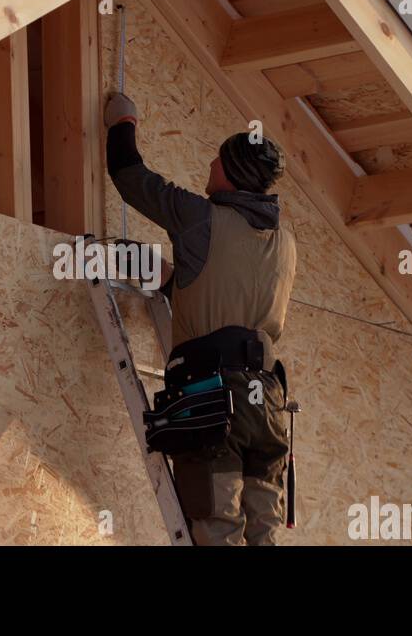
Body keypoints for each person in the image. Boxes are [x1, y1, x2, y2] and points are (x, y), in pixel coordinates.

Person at [104, 92, 298, 546]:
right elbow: (226, 297)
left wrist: (122, 122)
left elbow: (130, 177)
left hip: (213, 399)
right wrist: (168, 276)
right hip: (266, 404)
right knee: (263, 533)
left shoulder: (201, 219)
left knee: (217, 529)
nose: (209, 164)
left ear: (232, 173)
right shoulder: (283, 241)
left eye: (218, 160)